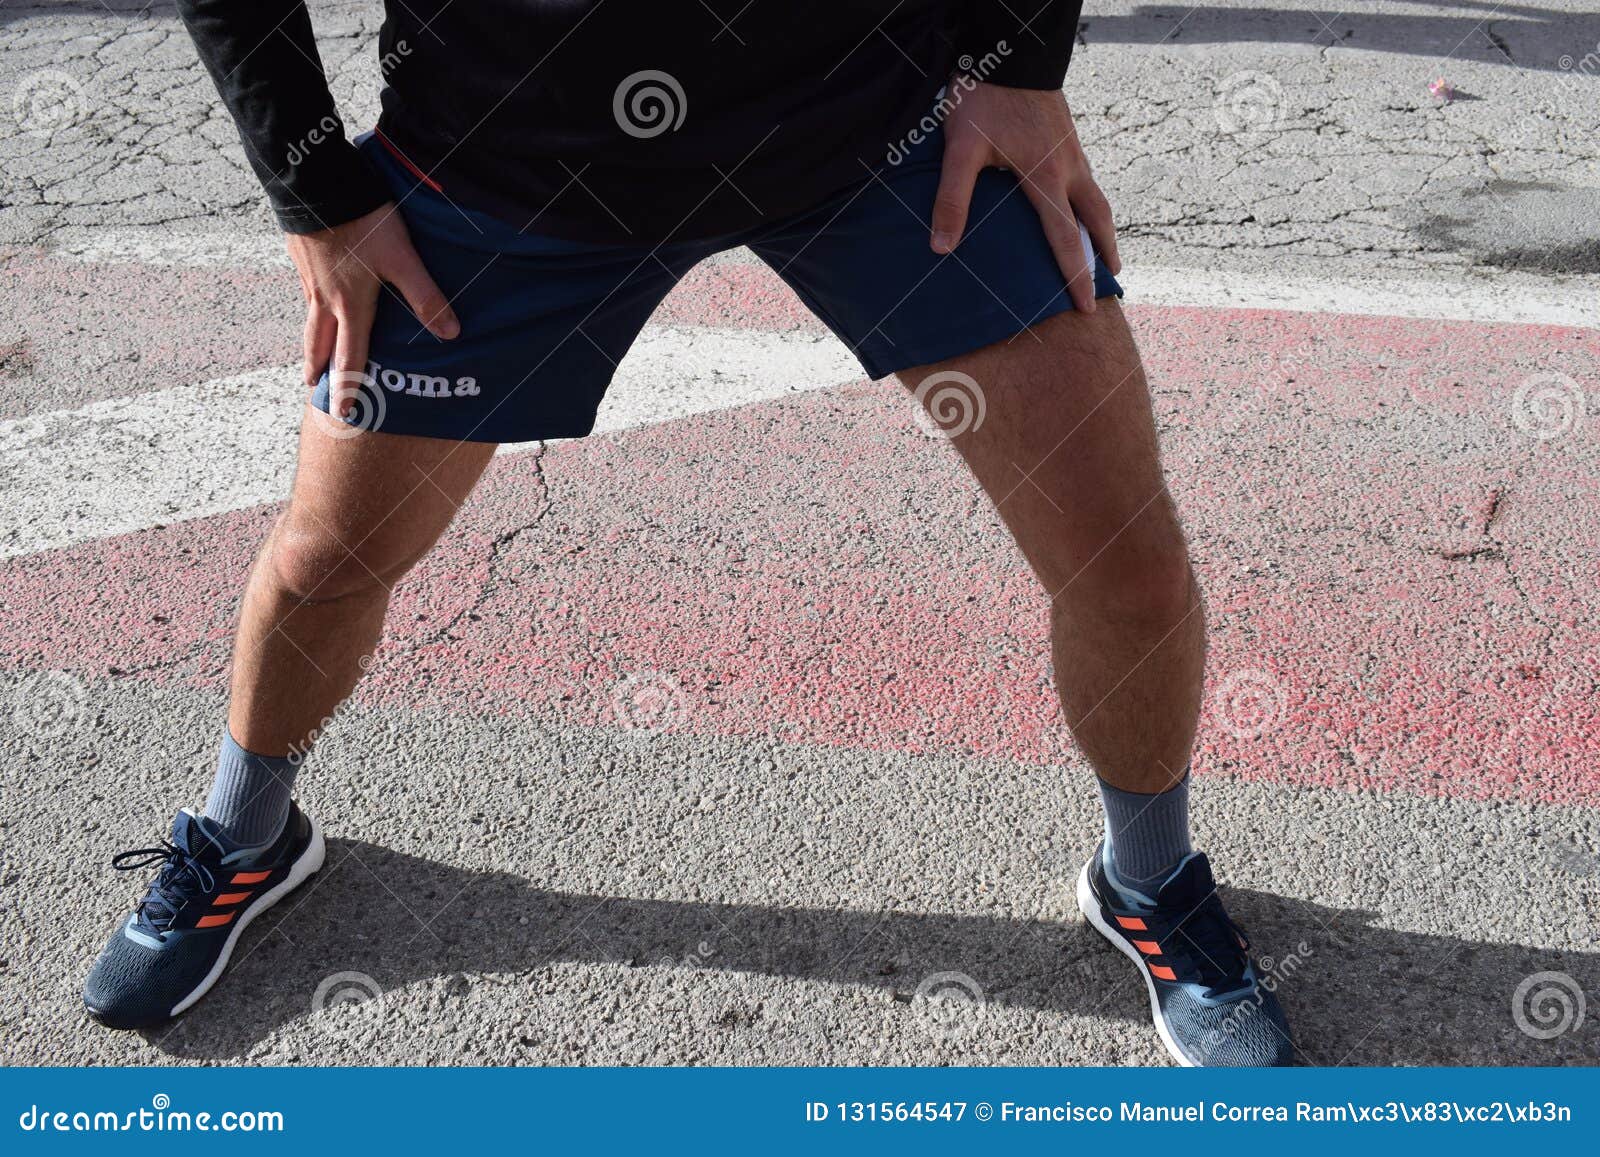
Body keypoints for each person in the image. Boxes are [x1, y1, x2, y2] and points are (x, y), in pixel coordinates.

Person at [83, 1, 1294, 1067]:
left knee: (1123, 559)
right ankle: (248, 833)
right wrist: (319, 194)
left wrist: (1021, 58)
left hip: (882, 124)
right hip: (504, 156)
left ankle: (1148, 877)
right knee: (329, 558)